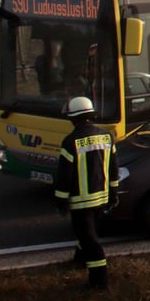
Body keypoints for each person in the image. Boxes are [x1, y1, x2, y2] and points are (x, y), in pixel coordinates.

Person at [54, 96, 119, 290]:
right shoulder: (106, 137)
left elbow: (64, 176)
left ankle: (99, 281)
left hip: (81, 202)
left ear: (73, 118)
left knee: (89, 240)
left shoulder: (70, 142)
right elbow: (114, 168)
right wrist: (113, 193)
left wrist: (61, 201)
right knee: (87, 233)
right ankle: (79, 259)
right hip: (102, 198)